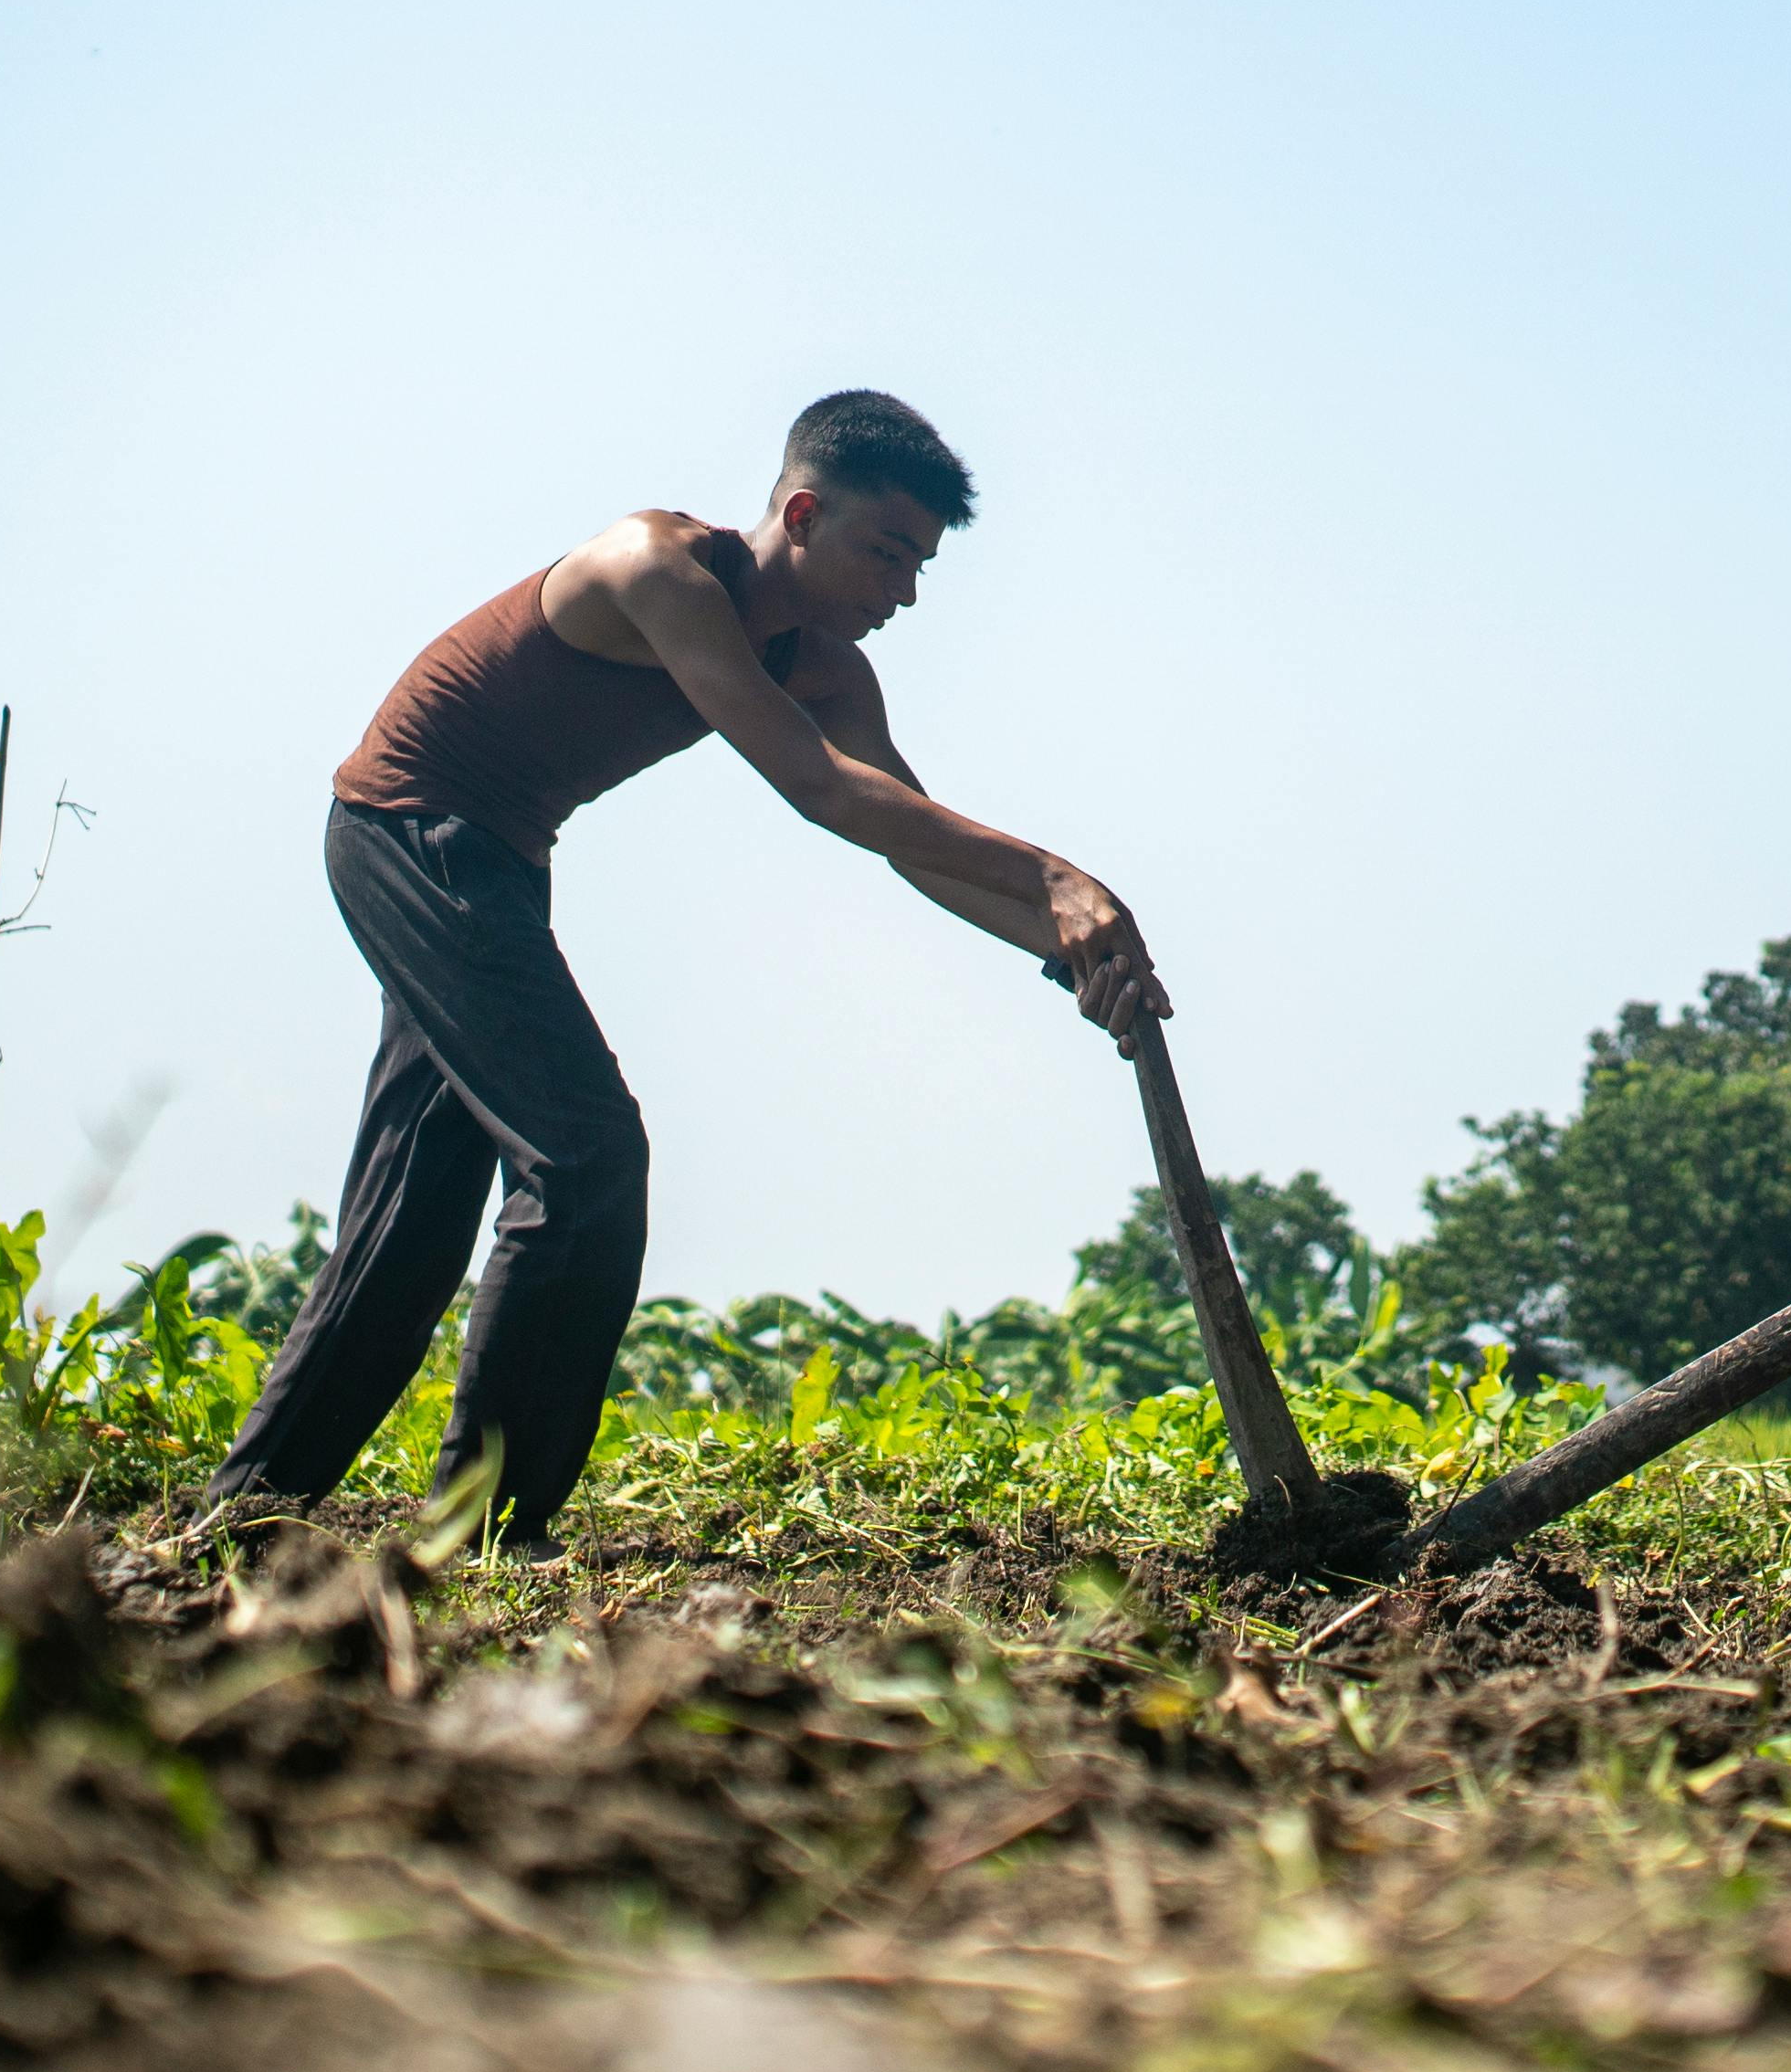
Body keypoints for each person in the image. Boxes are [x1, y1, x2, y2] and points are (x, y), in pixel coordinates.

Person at [192, 389, 1162, 1553]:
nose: (903, 591)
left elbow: (904, 832)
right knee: (586, 1156)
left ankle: (245, 1515)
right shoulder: (657, 570)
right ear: (802, 511)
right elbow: (822, 789)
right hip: (412, 833)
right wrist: (1060, 877)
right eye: (888, 552)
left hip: (495, 863)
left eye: (921, 568)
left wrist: (1072, 951)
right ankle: (487, 1527)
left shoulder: (828, 669)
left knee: (414, 1210)